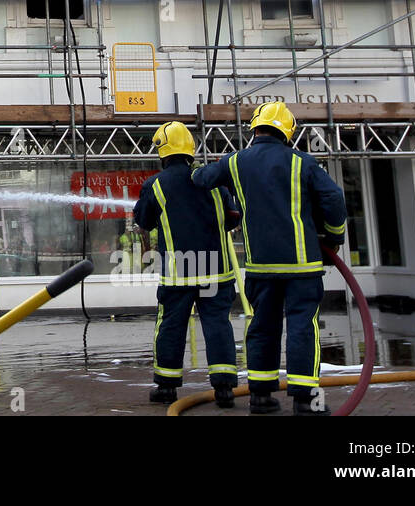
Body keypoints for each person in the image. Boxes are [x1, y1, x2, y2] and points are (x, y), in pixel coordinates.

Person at [192, 102, 347, 416]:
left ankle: (260, 397)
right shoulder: (303, 162)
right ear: (287, 132)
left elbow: (200, 179)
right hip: (302, 266)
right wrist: (333, 237)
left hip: (261, 266)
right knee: (303, 327)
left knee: (262, 327)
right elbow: (333, 198)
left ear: (255, 129)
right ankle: (305, 402)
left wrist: (223, 173)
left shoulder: (236, 162)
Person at [133, 121, 242, 408]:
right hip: (217, 271)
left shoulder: (155, 185)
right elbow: (234, 217)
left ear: (162, 152)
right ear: (190, 150)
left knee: (171, 326)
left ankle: (166, 388)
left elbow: (143, 221)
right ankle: (225, 389)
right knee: (218, 324)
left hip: (178, 273)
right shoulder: (214, 181)